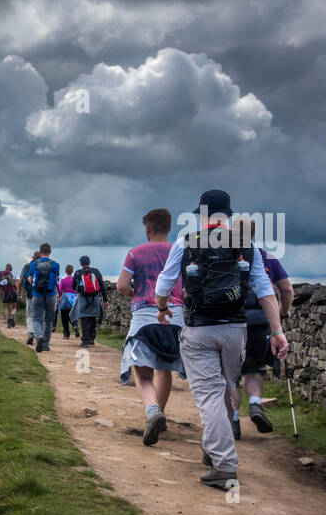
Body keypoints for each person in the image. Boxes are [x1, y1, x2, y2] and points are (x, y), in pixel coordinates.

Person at [156, 190, 288, 489]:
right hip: (235, 328)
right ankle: (214, 446)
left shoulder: (186, 241)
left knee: (209, 394)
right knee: (228, 388)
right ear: (228, 214)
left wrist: (162, 309)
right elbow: (265, 290)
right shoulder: (246, 244)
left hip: (200, 328)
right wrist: (277, 331)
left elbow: (163, 284)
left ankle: (225, 465)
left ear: (201, 215)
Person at [118, 208, 186, 446]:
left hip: (145, 314)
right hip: (175, 314)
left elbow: (121, 285)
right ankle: (160, 415)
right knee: (164, 367)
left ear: (148, 229)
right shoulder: (180, 251)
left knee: (141, 370)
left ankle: (153, 412)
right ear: (169, 228)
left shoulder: (135, 253)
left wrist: (134, 294)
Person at [229, 218, 293, 437]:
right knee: (254, 369)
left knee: (231, 376)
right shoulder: (268, 257)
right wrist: (283, 312)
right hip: (260, 323)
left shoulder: (225, 258)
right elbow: (286, 289)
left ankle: (234, 421)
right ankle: (255, 404)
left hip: (233, 323)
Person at [24, 244, 59, 352]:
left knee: (36, 319)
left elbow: (30, 279)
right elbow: (57, 279)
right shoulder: (55, 264)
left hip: (37, 294)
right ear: (50, 252)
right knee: (48, 321)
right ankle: (45, 345)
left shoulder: (34, 264)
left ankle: (39, 336)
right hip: (51, 294)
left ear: (40, 251)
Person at [73, 255, 108, 346]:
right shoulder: (96, 271)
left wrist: (80, 290)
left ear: (81, 263)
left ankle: (85, 340)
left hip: (83, 298)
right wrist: (105, 300)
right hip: (94, 298)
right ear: (89, 262)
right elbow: (101, 286)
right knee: (92, 318)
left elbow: (73, 286)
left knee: (84, 318)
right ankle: (92, 338)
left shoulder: (78, 273)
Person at [20, 252, 38, 344]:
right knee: (40, 315)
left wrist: (20, 292)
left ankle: (31, 332)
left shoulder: (27, 266)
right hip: (43, 295)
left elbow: (21, 280)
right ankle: (39, 335)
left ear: (32, 257)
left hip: (30, 294)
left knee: (30, 315)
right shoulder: (48, 265)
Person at [57, 265, 78, 339]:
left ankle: (66, 334)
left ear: (66, 271)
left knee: (64, 317)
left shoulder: (63, 280)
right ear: (72, 271)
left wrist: (59, 298)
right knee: (73, 315)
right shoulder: (75, 280)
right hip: (74, 300)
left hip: (65, 299)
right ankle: (74, 325)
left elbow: (60, 290)